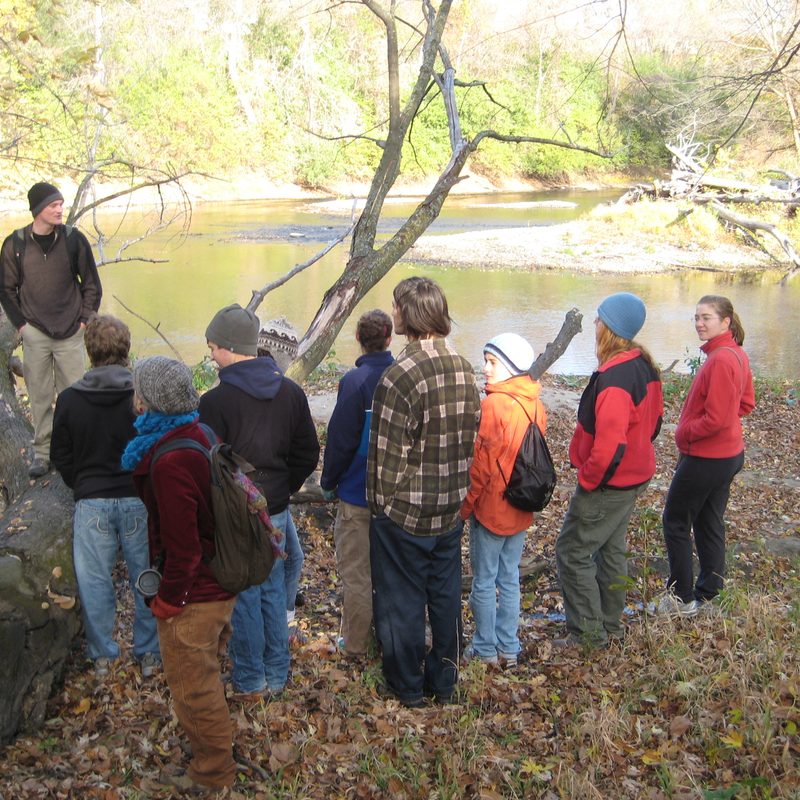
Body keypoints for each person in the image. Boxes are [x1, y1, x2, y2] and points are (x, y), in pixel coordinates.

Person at [123, 356, 236, 793]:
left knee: (194, 688)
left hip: (197, 594)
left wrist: (169, 601)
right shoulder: (200, 432)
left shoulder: (169, 460)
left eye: (138, 390)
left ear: (147, 400)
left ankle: (213, 774)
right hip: (219, 582)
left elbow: (183, 549)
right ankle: (215, 750)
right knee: (204, 676)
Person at [367, 277, 480, 707]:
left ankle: (408, 686)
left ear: (408, 315)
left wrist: (382, 508)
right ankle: (445, 681)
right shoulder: (465, 366)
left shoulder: (401, 374)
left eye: (396, 307)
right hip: (450, 507)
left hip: (407, 513)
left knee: (402, 603)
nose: (392, 314)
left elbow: (385, 459)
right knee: (446, 598)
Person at [199, 304, 319, 699]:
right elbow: (307, 453)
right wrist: (284, 487)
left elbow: (210, 465)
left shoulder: (215, 402)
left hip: (238, 516)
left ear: (231, 348)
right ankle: (277, 674)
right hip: (277, 509)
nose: (211, 355)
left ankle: (251, 679)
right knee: (270, 590)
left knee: (245, 593)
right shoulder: (290, 392)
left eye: (213, 347)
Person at [50, 316, 159, 678]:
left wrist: (80, 483)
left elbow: (61, 457)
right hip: (138, 498)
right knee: (146, 575)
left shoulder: (68, 400)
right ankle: (148, 653)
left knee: (94, 582)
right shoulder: (143, 397)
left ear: (89, 351)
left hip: (91, 499)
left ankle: (103, 656)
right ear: (126, 350)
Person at [556, 292, 663, 648]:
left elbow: (611, 445)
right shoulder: (642, 363)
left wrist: (589, 479)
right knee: (611, 548)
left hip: (611, 482)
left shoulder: (617, 377)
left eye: (599, 319)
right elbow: (655, 424)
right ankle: (610, 626)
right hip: (634, 476)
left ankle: (589, 636)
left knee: (573, 552)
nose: (595, 324)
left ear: (611, 328)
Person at [654, 295, 755, 616]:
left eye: (707, 317)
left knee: (675, 521)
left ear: (725, 321)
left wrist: (684, 433)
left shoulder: (723, 360)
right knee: (709, 522)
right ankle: (710, 597)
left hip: (708, 458)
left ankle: (681, 599)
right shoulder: (734, 353)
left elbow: (719, 418)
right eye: (696, 317)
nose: (699, 323)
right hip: (726, 455)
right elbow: (746, 403)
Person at [0, 182, 102, 478]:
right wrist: (22, 326)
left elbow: (92, 285)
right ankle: (43, 454)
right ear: (37, 210)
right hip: (35, 333)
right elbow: (6, 291)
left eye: (60, 204)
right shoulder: (15, 244)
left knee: (76, 396)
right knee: (40, 395)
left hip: (71, 331)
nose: (59, 209)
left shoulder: (74, 240)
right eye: (53, 205)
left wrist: (84, 321)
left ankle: (78, 452)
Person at [460, 333, 547, 668]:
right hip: (521, 508)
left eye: (492, 362)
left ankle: (483, 648)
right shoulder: (534, 403)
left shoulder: (494, 405)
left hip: (492, 510)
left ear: (510, 365)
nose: (485, 368)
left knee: (484, 580)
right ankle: (509, 648)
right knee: (509, 577)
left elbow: (480, 471)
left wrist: (465, 509)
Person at [320, 310, 393, 657]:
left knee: (357, 573)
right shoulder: (402, 374)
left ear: (359, 340)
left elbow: (341, 440)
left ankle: (357, 645)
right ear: (390, 339)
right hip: (395, 495)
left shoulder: (355, 382)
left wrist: (329, 480)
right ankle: (390, 635)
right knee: (389, 570)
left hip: (357, 493)